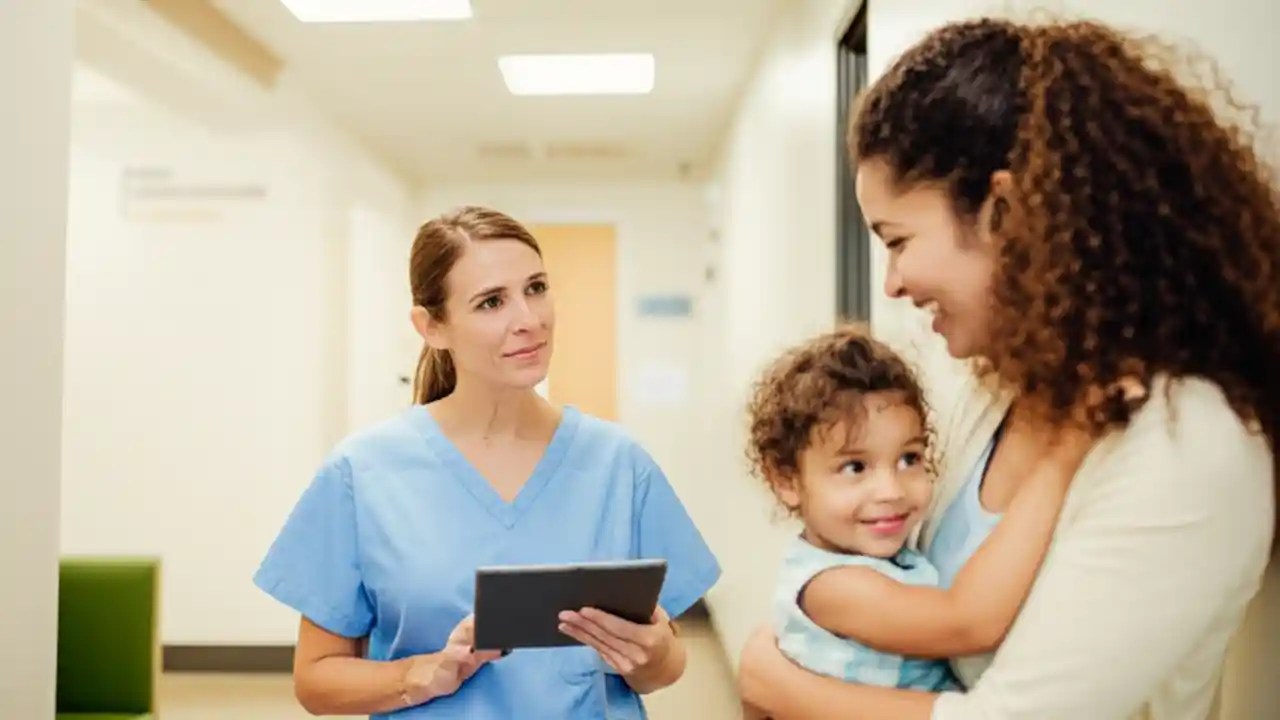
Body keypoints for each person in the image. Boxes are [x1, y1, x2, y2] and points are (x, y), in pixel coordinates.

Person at [738, 16, 1278, 720]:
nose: (893, 284)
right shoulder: (987, 387)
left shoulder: (1190, 444)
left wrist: (787, 688)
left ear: (1006, 211)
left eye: (897, 241)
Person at [253, 206, 721, 719]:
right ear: (432, 327)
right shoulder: (362, 474)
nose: (529, 320)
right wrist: (421, 675)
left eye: (536, 288)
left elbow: (666, 664)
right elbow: (316, 679)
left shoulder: (618, 465)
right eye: (492, 301)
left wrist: (650, 657)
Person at [741, 325, 1089, 717]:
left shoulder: (883, 559)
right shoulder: (832, 585)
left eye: (909, 458)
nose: (891, 490)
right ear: (786, 480)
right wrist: (1062, 459)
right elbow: (968, 622)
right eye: (855, 467)